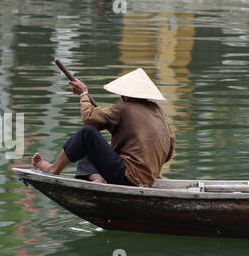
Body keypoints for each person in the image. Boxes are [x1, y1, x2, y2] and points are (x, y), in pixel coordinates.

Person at [30, 68, 175, 187]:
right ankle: (97, 178)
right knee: (92, 144)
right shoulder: (158, 112)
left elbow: (89, 118)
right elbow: (168, 151)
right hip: (148, 179)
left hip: (128, 178)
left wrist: (84, 94)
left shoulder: (124, 109)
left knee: (87, 134)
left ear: (125, 94)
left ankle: (53, 169)